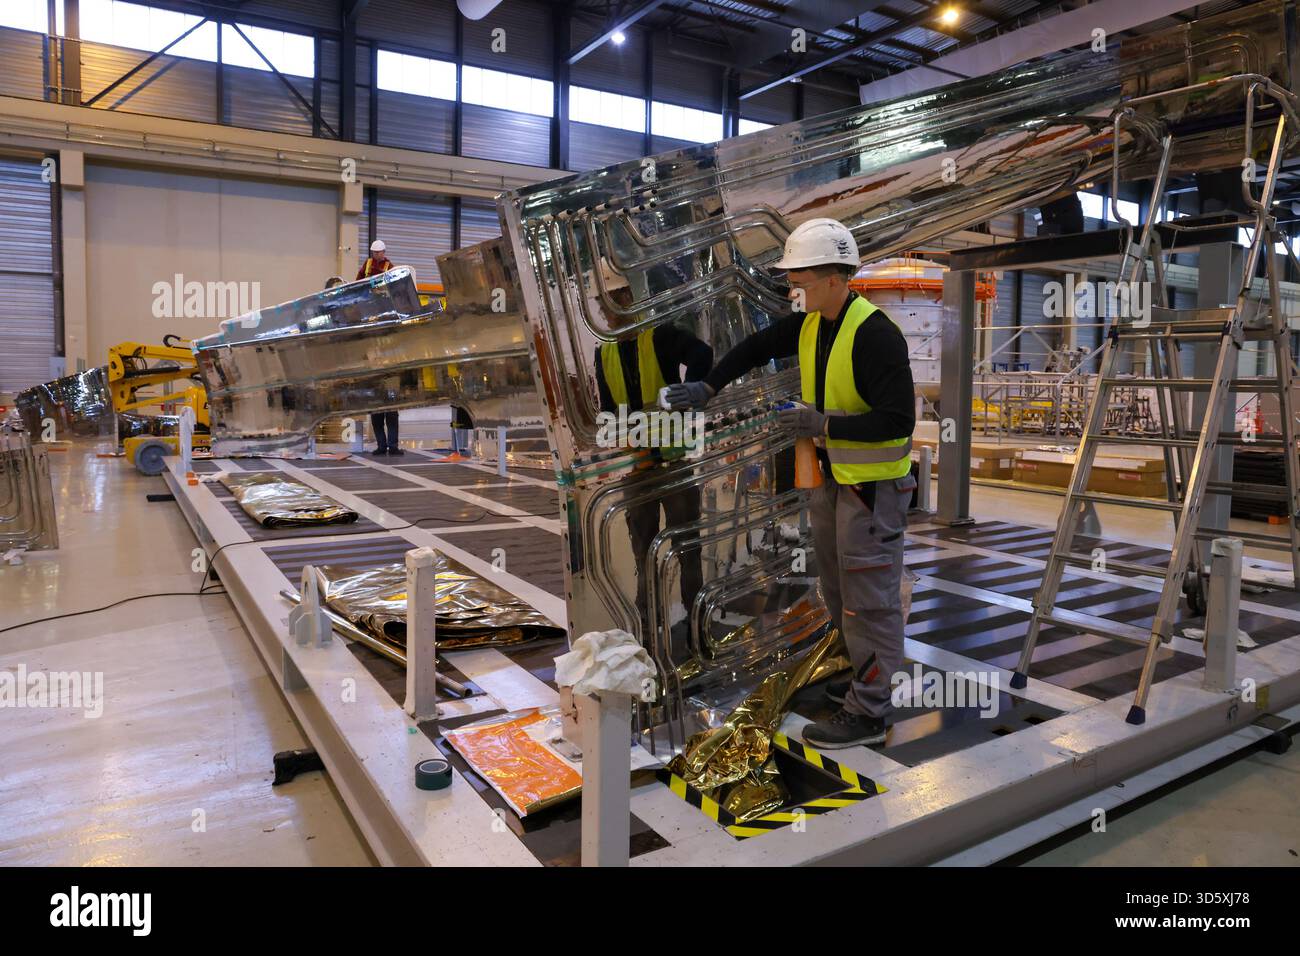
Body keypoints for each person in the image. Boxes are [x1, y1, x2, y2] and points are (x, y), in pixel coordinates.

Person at [666, 218, 915, 749]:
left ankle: (872, 712)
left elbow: (898, 421)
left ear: (832, 276)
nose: (792, 286)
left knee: (869, 600)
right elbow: (755, 347)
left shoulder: (876, 335)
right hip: (833, 481)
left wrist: (822, 425)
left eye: (799, 276)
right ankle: (859, 682)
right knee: (838, 592)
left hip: (873, 491)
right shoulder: (809, 324)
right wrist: (710, 386)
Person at [594, 277, 712, 657]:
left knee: (687, 550)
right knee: (643, 554)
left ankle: (698, 635)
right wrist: (619, 443)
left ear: (628, 300)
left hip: (674, 463)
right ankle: (648, 637)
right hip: (637, 469)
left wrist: (688, 393)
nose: (605, 312)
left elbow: (702, 355)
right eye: (602, 304)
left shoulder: (660, 337)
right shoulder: (605, 353)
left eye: (610, 302)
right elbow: (609, 411)